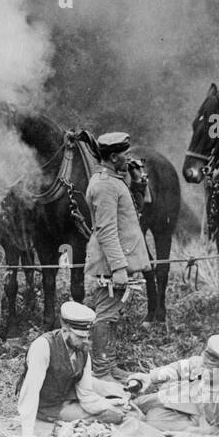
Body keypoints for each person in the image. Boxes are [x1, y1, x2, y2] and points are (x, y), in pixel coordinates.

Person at [84, 131, 152, 381]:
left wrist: (138, 182)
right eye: (125, 155)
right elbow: (106, 230)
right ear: (113, 157)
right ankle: (101, 372)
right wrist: (119, 267)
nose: (129, 158)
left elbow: (134, 210)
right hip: (112, 263)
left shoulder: (114, 180)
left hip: (117, 261)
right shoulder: (105, 185)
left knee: (112, 314)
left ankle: (109, 366)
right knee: (105, 315)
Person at [17, 301, 128, 437]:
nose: (85, 342)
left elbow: (86, 395)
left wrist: (107, 403)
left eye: (87, 337)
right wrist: (27, 434)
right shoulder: (43, 347)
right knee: (112, 416)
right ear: (65, 330)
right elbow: (30, 393)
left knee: (115, 392)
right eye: (80, 337)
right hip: (49, 406)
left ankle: (128, 398)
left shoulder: (83, 350)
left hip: (69, 391)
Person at [128, 334, 219, 432]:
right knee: (138, 404)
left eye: (207, 370)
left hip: (209, 423)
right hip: (195, 398)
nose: (202, 370)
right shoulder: (213, 364)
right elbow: (183, 367)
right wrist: (151, 377)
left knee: (152, 421)